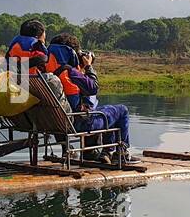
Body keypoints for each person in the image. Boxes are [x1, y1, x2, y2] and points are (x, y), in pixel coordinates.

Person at [49, 33, 140, 165]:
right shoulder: (69, 72)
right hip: (78, 124)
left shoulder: (44, 72)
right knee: (122, 111)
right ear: (71, 53)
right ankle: (121, 153)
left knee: (105, 111)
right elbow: (93, 87)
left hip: (55, 123)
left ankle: (104, 152)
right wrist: (88, 66)